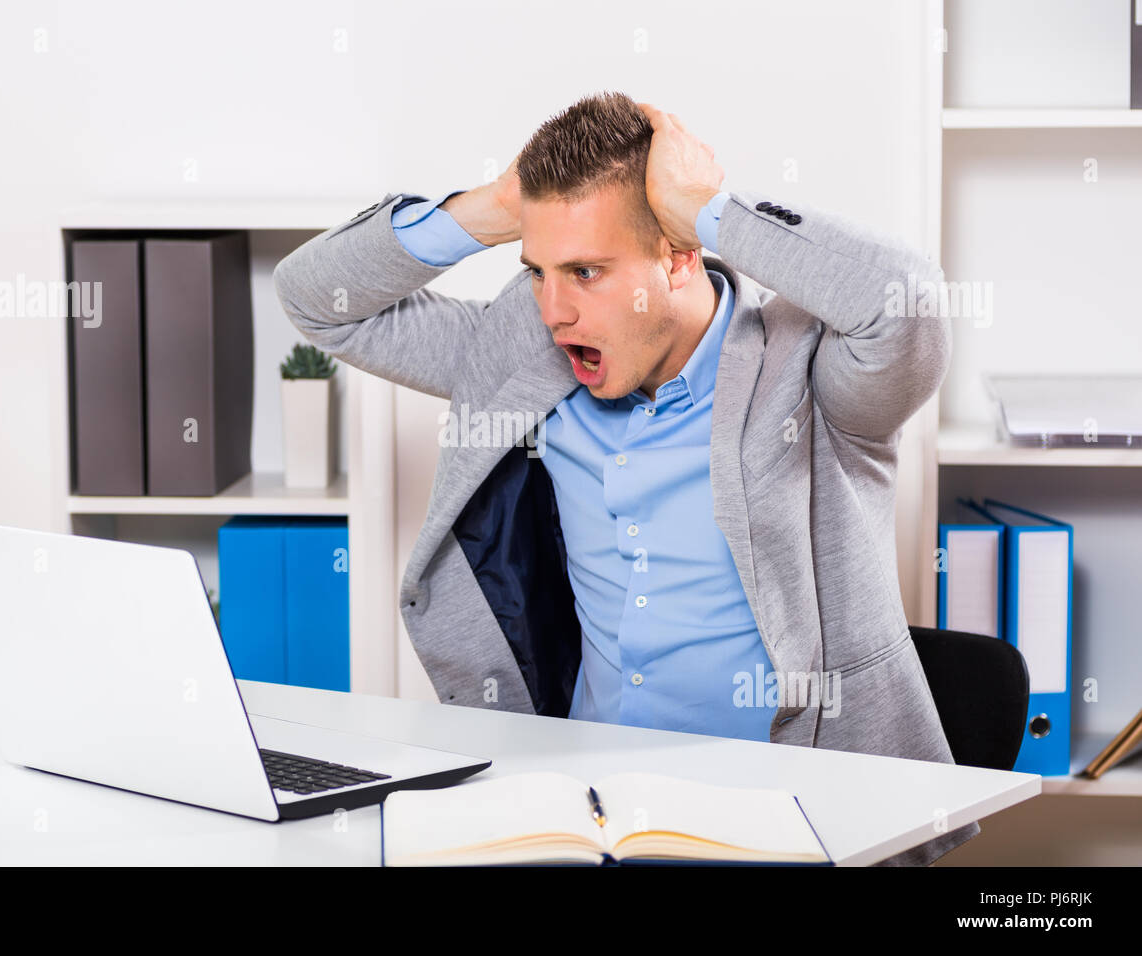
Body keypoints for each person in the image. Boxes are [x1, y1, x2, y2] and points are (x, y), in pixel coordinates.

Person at [274, 90, 976, 865]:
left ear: (678, 256)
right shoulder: (524, 368)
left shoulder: (809, 374)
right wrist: (494, 207)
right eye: (538, 271)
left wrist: (713, 211)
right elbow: (317, 302)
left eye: (586, 270)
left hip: (794, 817)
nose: (554, 311)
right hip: (587, 806)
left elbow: (905, 306)